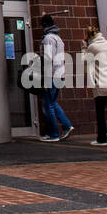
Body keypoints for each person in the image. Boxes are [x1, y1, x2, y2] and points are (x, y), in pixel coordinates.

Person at [37, 14, 74, 142]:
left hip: (52, 75)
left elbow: (48, 58)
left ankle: (53, 134)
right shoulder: (58, 38)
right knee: (52, 103)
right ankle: (67, 126)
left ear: (44, 25)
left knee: (48, 106)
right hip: (60, 74)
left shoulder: (48, 38)